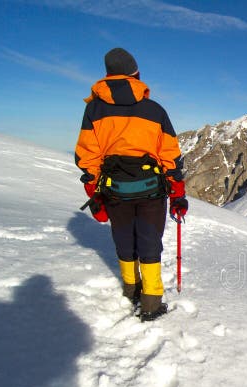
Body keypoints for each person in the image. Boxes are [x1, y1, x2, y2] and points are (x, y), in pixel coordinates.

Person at [76, 48, 188, 321]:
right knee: (150, 241)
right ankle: (151, 301)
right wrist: (177, 194)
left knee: (124, 238)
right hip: (151, 190)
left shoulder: (94, 110)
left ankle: (130, 288)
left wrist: (94, 192)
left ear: (108, 76)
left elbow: (87, 156)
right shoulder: (154, 110)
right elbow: (170, 157)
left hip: (114, 189)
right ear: (136, 74)